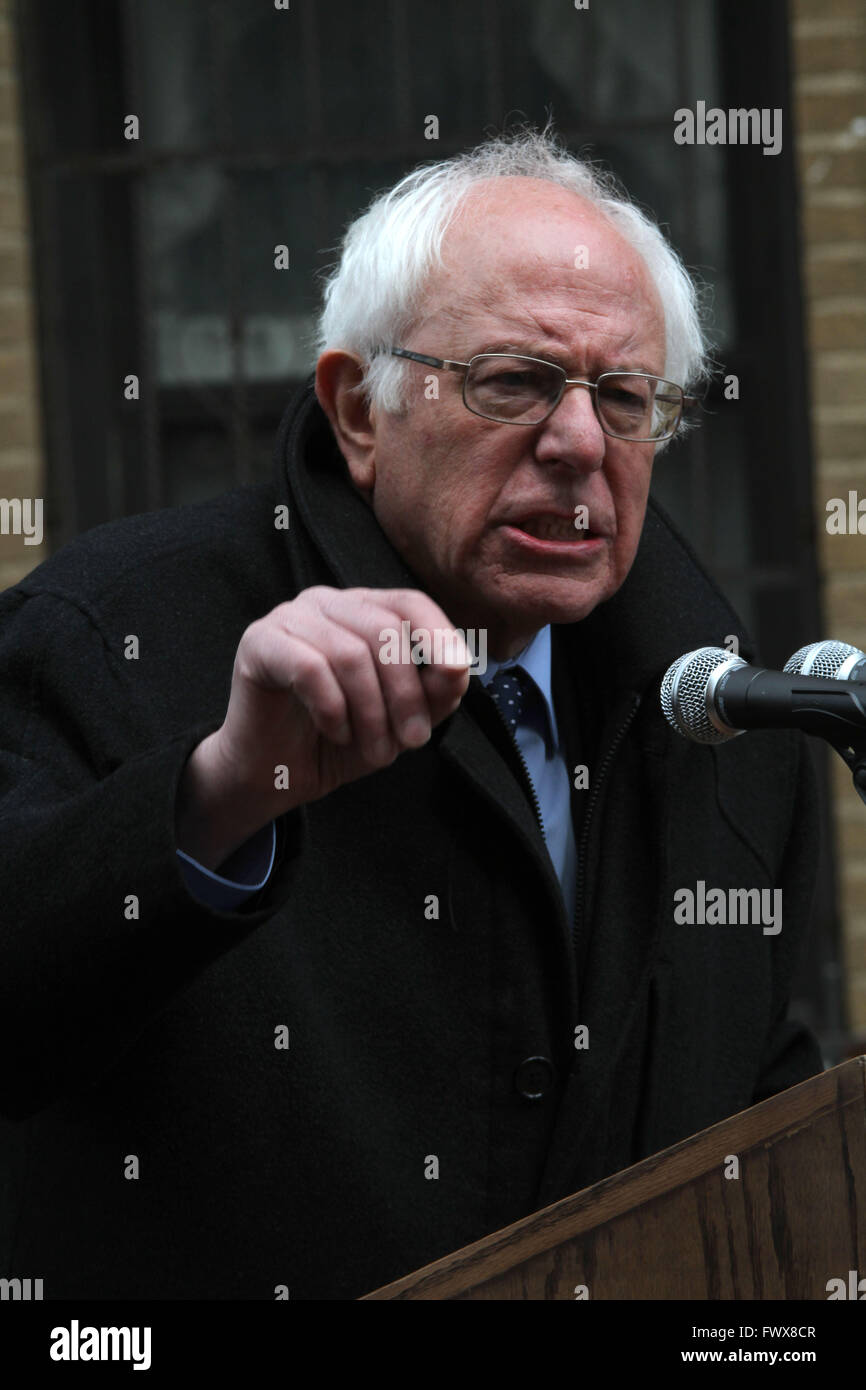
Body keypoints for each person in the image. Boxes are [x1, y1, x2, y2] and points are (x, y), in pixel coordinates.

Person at [0, 129, 823, 1301]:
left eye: (625, 398)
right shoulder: (104, 634)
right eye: (513, 382)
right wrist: (222, 792)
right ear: (357, 407)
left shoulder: (724, 719)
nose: (579, 441)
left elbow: (756, 1110)